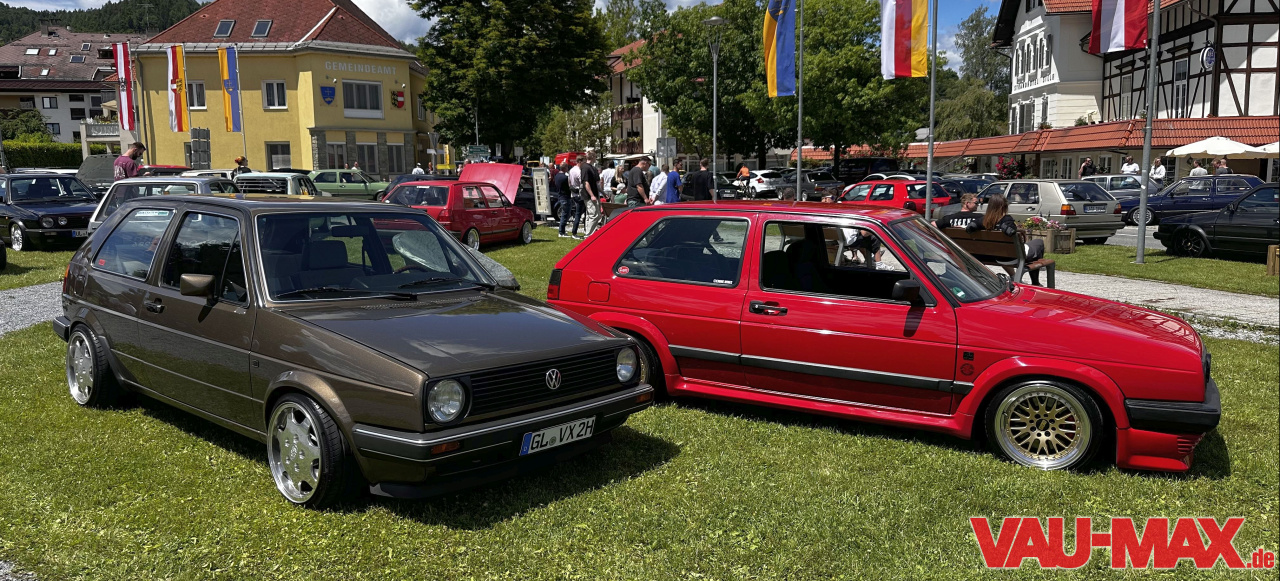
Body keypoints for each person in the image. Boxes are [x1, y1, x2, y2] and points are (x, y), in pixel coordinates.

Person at [981, 193, 1046, 286]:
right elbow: (1010, 231)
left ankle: (1031, 278)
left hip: (993, 254)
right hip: (1013, 255)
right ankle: (1035, 282)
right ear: (1004, 206)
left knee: (1007, 248)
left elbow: (971, 227)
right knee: (1039, 243)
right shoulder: (1007, 220)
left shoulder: (983, 221)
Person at [580, 152, 604, 236]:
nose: (596, 158)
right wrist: (592, 195)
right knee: (594, 215)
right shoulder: (585, 167)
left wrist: (603, 192)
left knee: (592, 215)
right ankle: (589, 235)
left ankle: (588, 233)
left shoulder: (592, 168)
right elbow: (586, 182)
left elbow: (595, 183)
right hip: (589, 196)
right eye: (595, 156)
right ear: (592, 157)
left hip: (594, 194)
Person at [554, 163, 579, 238]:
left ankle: (562, 230)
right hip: (566, 197)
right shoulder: (565, 177)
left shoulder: (557, 176)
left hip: (560, 196)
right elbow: (570, 186)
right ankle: (561, 232)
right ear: (565, 168)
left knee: (564, 214)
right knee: (565, 214)